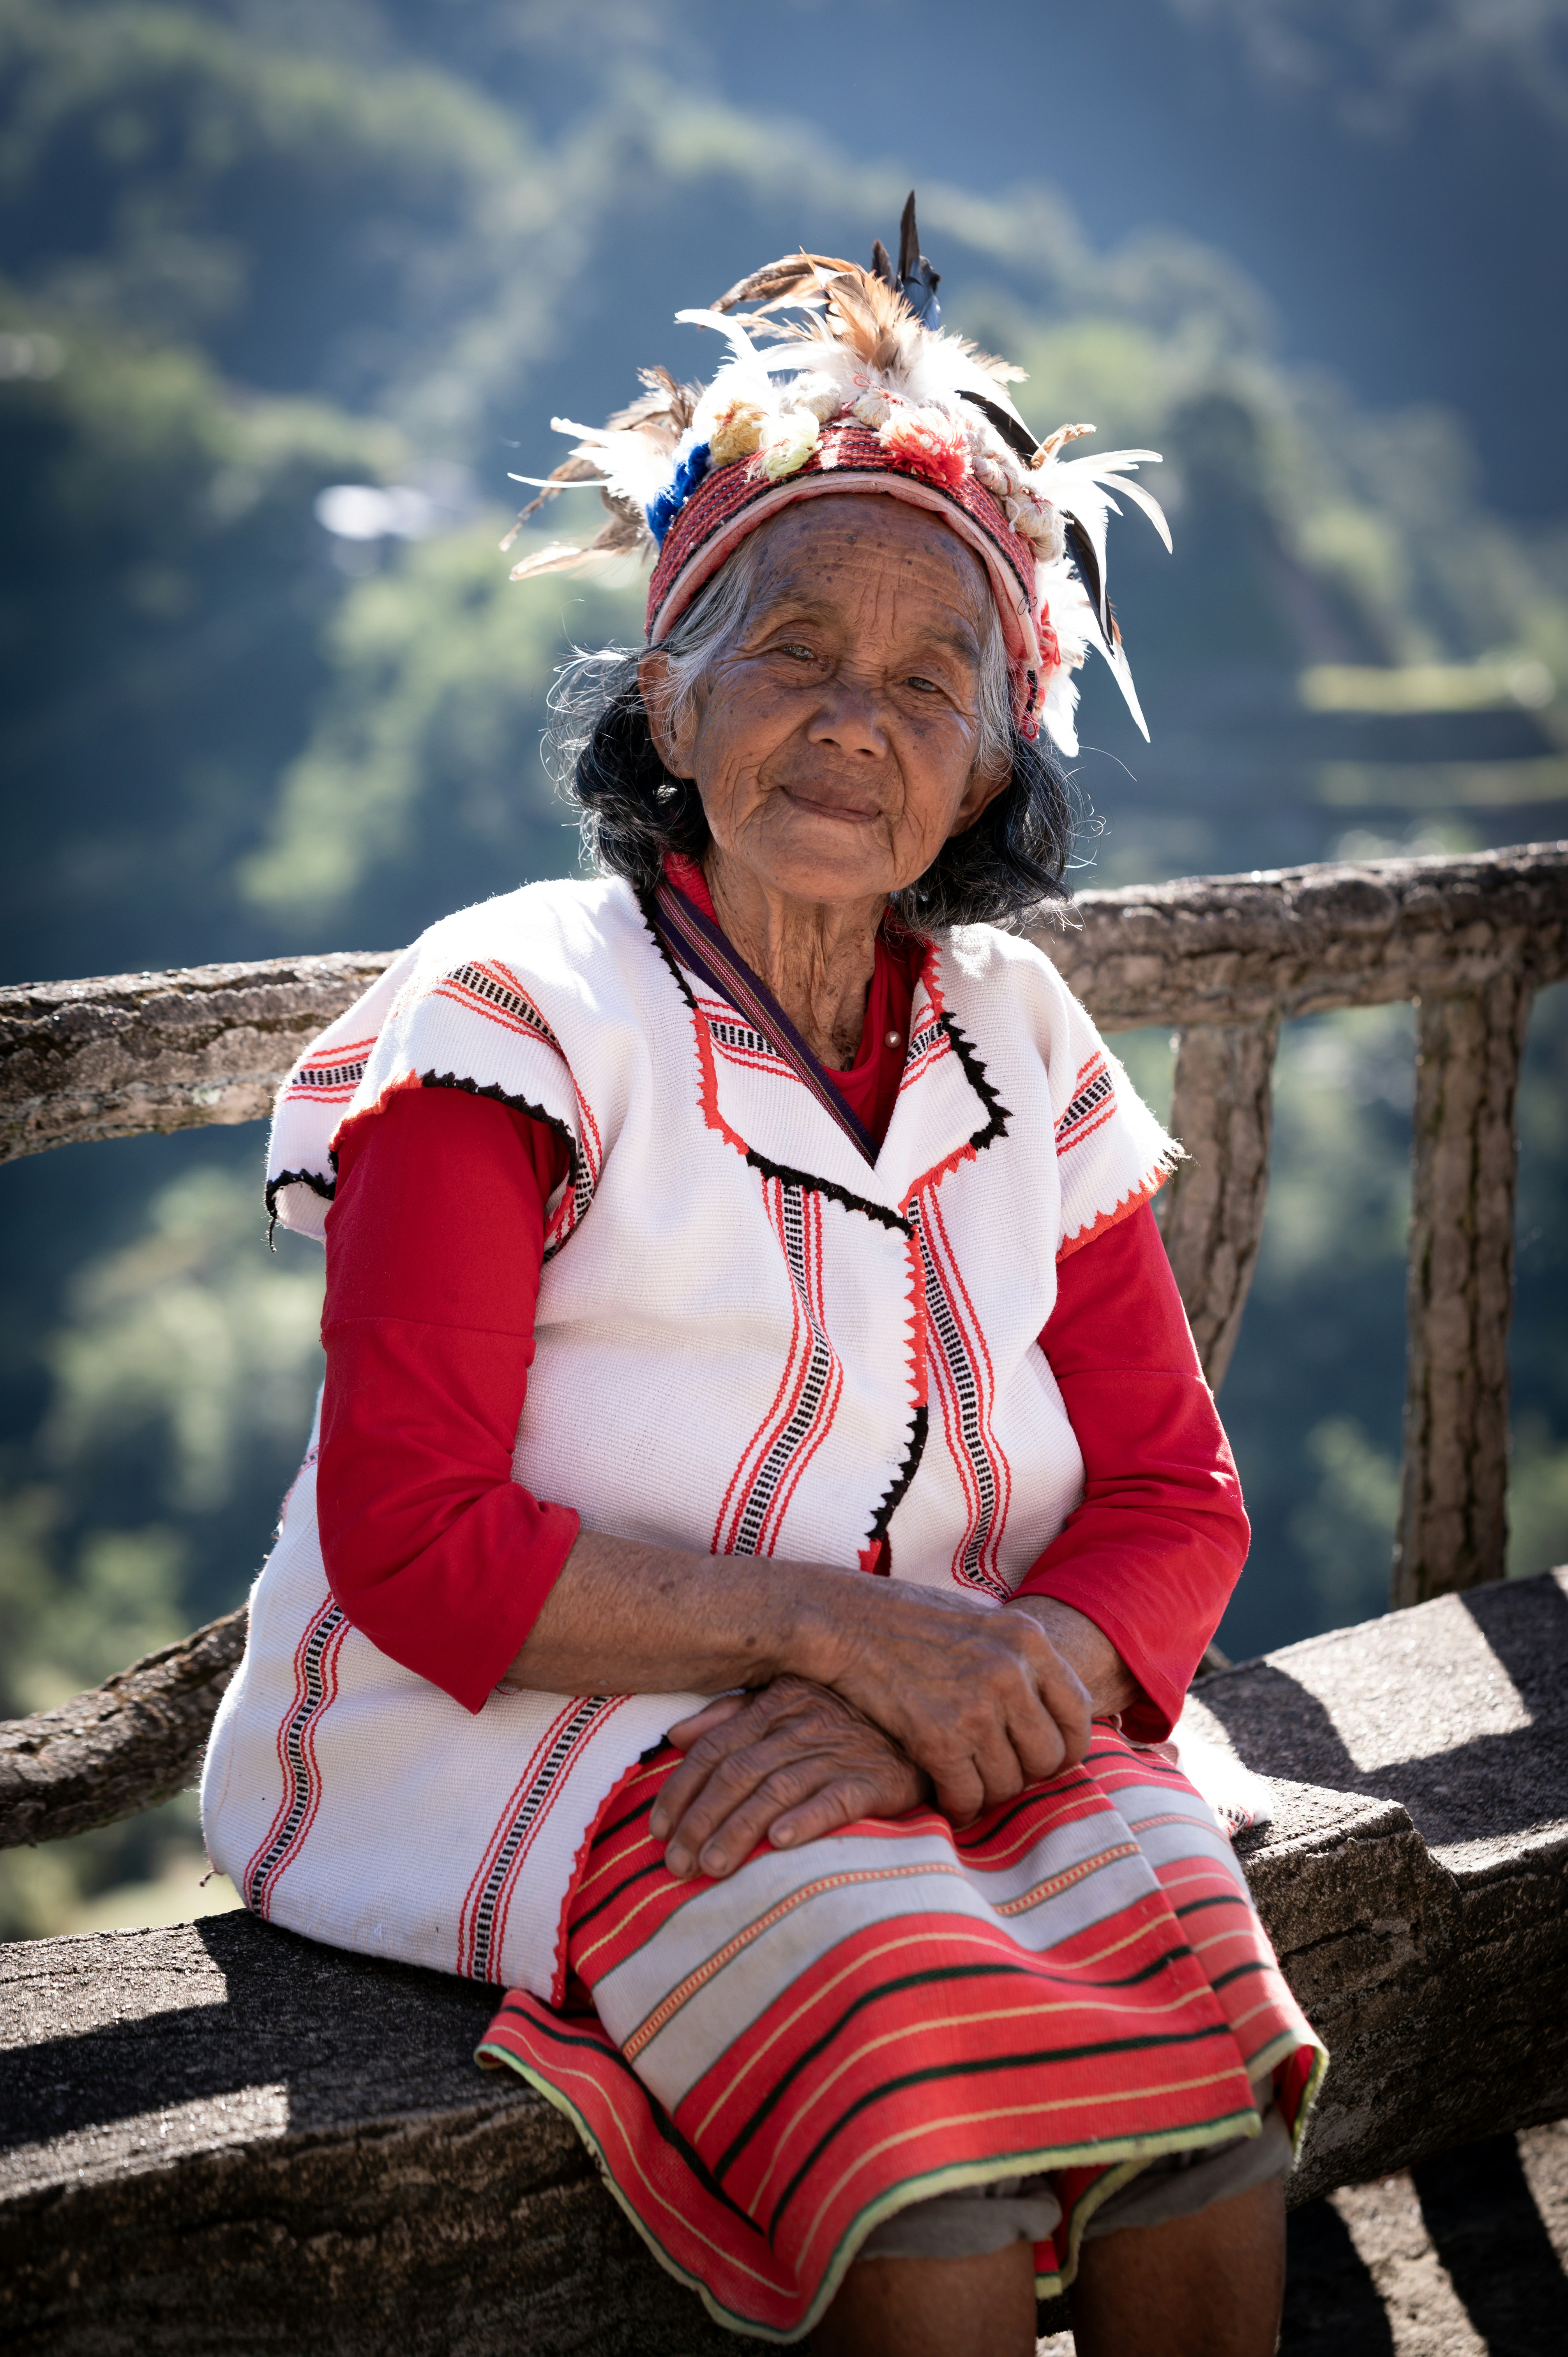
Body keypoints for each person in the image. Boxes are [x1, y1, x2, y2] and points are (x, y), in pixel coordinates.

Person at [203, 205, 1323, 2356]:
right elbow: (416, 1547)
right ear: (667, 687)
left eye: (927, 683)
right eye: (790, 648)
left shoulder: (1017, 1037)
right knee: (931, 2156)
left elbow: (1176, 1507)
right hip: (536, 1723)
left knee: (1196, 2059)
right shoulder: (517, 1008)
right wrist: (851, 1646)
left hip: (952, 1703)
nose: (851, 720)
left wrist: (946, 1700)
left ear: (993, 764)